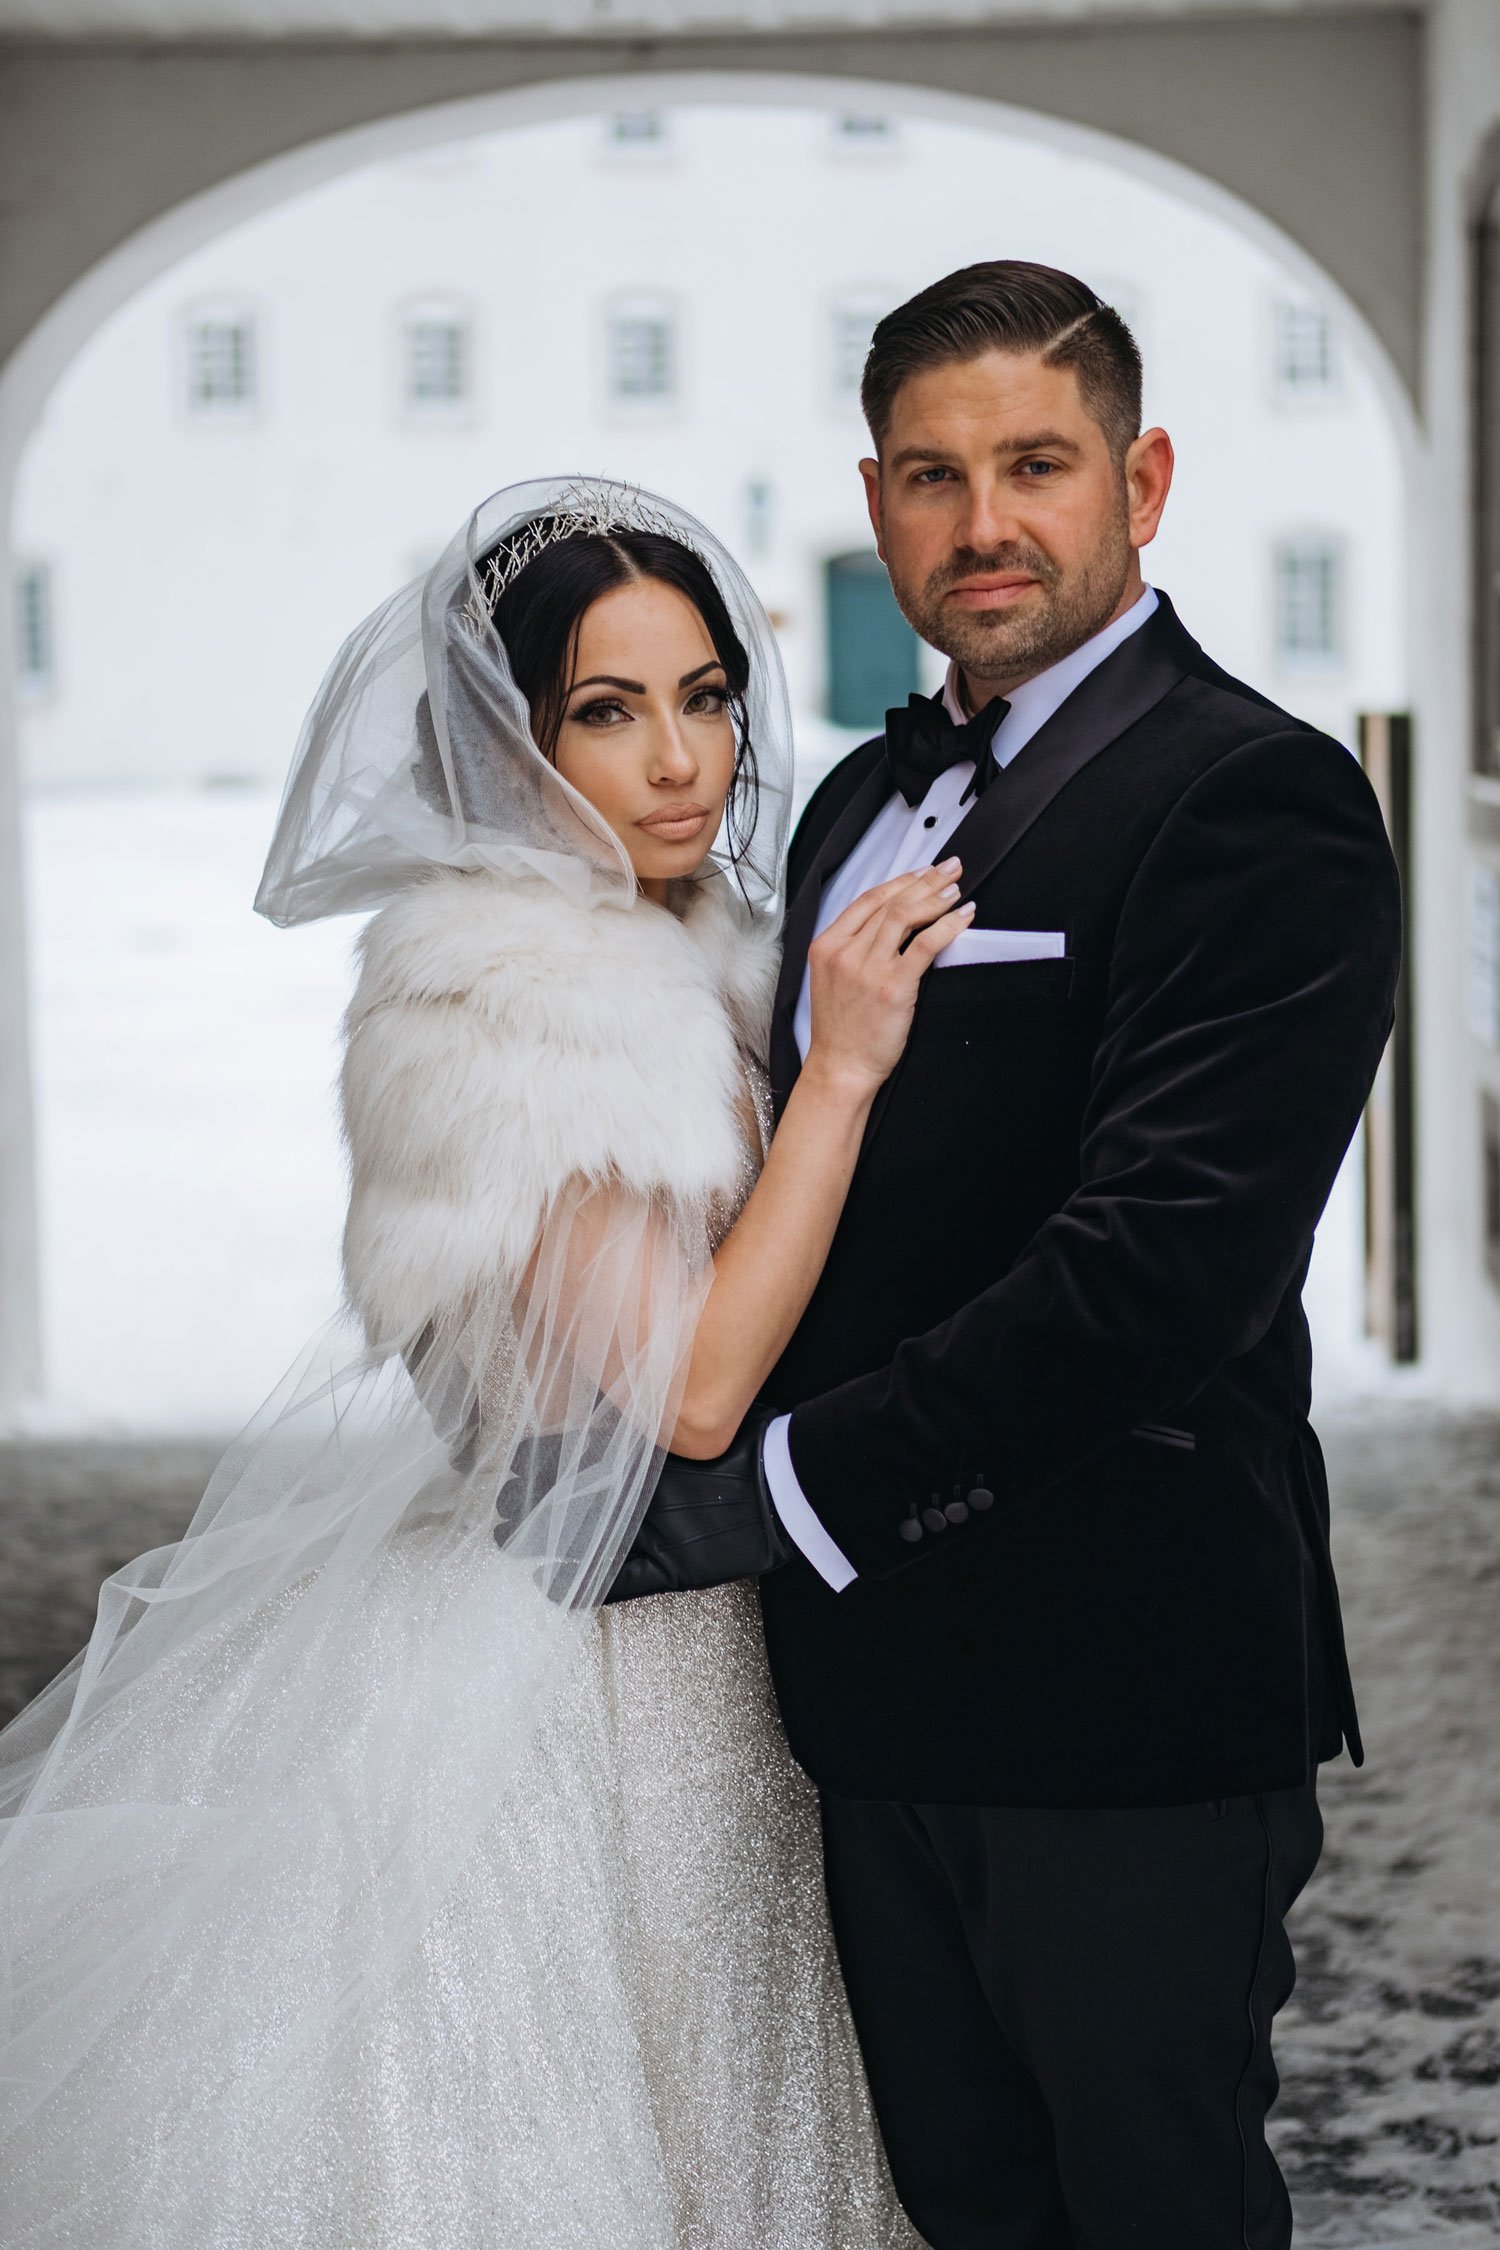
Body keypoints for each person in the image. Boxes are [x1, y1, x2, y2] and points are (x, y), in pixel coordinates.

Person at [0, 479, 955, 2248]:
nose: (681, 757)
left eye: (705, 694)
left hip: (723, 1655)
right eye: (608, 709)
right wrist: (842, 1081)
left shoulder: (704, 959)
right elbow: (682, 1394)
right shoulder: (496, 1006)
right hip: (572, 1682)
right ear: (507, 741)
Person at [610, 265, 1404, 2249]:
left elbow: (1168, 1272)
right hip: (868, 1710)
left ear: (1139, 476)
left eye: (1037, 465)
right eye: (936, 477)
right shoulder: (858, 807)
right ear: (875, 500)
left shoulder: (1256, 798)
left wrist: (777, 1490)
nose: (986, 526)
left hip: (1124, 1690)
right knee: (957, 2212)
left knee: (1152, 2207)